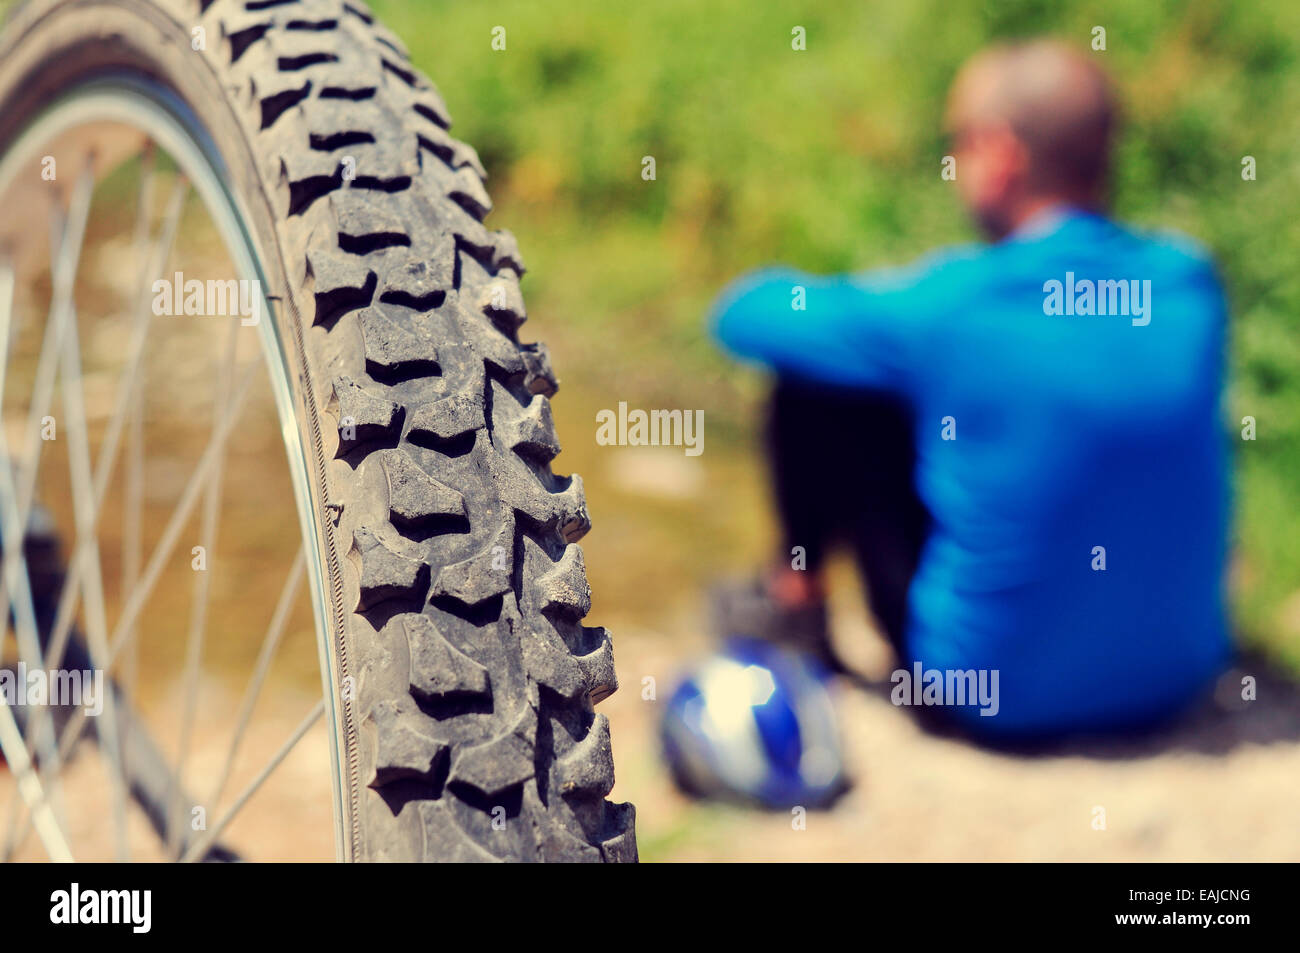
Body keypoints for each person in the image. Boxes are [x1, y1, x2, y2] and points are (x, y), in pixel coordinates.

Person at [710, 39, 1232, 740]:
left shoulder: (953, 303)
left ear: (1001, 153)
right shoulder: (1190, 282)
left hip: (993, 696)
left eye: (959, 142)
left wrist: (867, 307)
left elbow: (744, 315)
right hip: (1179, 678)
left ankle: (795, 600)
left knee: (820, 374)